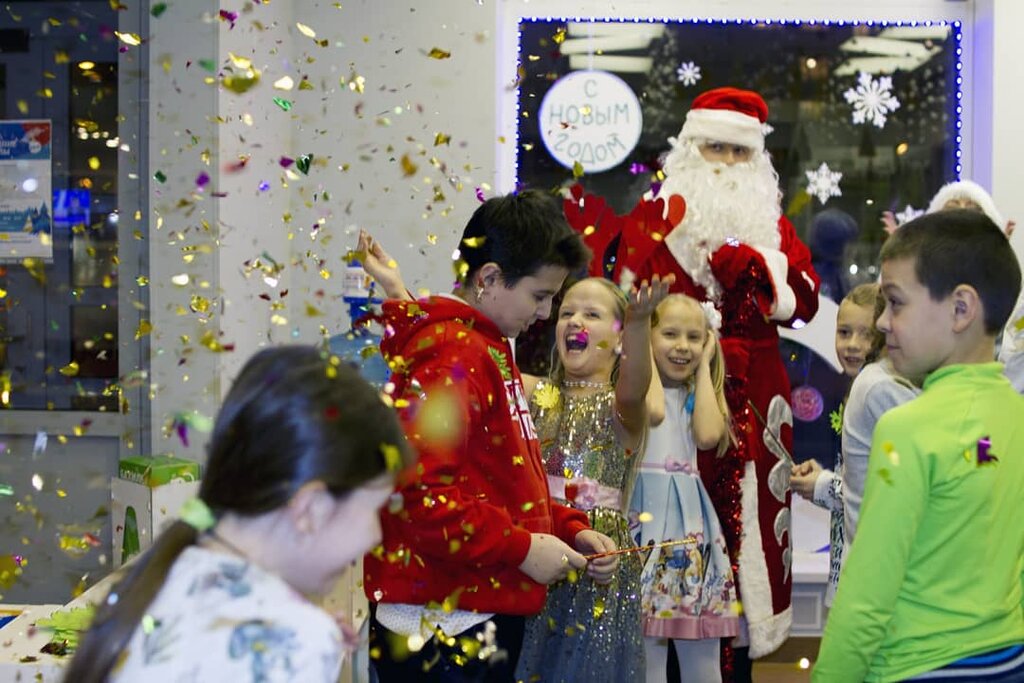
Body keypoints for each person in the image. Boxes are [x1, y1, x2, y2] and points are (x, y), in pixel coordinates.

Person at [362, 190, 621, 683]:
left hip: (466, 613)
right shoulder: (455, 357)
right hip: (444, 629)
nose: (545, 314)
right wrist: (522, 549)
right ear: (489, 279)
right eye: (539, 296)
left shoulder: (482, 347)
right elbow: (420, 496)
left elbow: (501, 480)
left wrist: (567, 528)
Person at [65, 346, 414, 683]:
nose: (376, 535)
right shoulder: (294, 639)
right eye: (375, 509)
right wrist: (301, 641)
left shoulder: (163, 575)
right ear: (311, 507)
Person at [623, 86, 820, 672]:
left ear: (757, 160)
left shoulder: (774, 228)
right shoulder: (655, 220)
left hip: (754, 393)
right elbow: (625, 295)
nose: (727, 164)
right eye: (715, 148)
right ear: (690, 150)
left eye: (740, 153)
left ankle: (740, 651)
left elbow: (805, 300)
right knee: (667, 529)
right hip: (668, 398)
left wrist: (762, 274)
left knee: (753, 527)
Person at [813, 210, 1024, 681]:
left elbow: (868, 593)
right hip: (1008, 661)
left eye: (895, 303)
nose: (882, 322)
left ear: (961, 309)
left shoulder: (907, 429)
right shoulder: (1015, 416)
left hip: (915, 665)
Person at [514, 274, 671, 683]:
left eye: (592, 314)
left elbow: (635, 386)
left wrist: (638, 322)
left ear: (619, 340)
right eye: (567, 312)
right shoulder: (537, 394)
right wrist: (399, 293)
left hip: (598, 562)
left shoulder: (622, 409)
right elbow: (479, 359)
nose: (575, 321)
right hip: (538, 543)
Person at [632, 293, 740, 683]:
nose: (683, 346)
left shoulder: (699, 395)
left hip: (690, 531)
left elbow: (708, 435)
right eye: (670, 334)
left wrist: (704, 368)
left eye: (694, 337)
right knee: (647, 658)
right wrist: (641, 344)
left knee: (702, 661)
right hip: (645, 523)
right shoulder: (637, 391)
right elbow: (654, 411)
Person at [790, 284, 920, 606]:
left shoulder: (879, 390)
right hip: (848, 566)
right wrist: (827, 475)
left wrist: (823, 485)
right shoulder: (859, 388)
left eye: (866, 334)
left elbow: (884, 493)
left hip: (873, 577)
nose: (852, 344)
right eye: (844, 332)